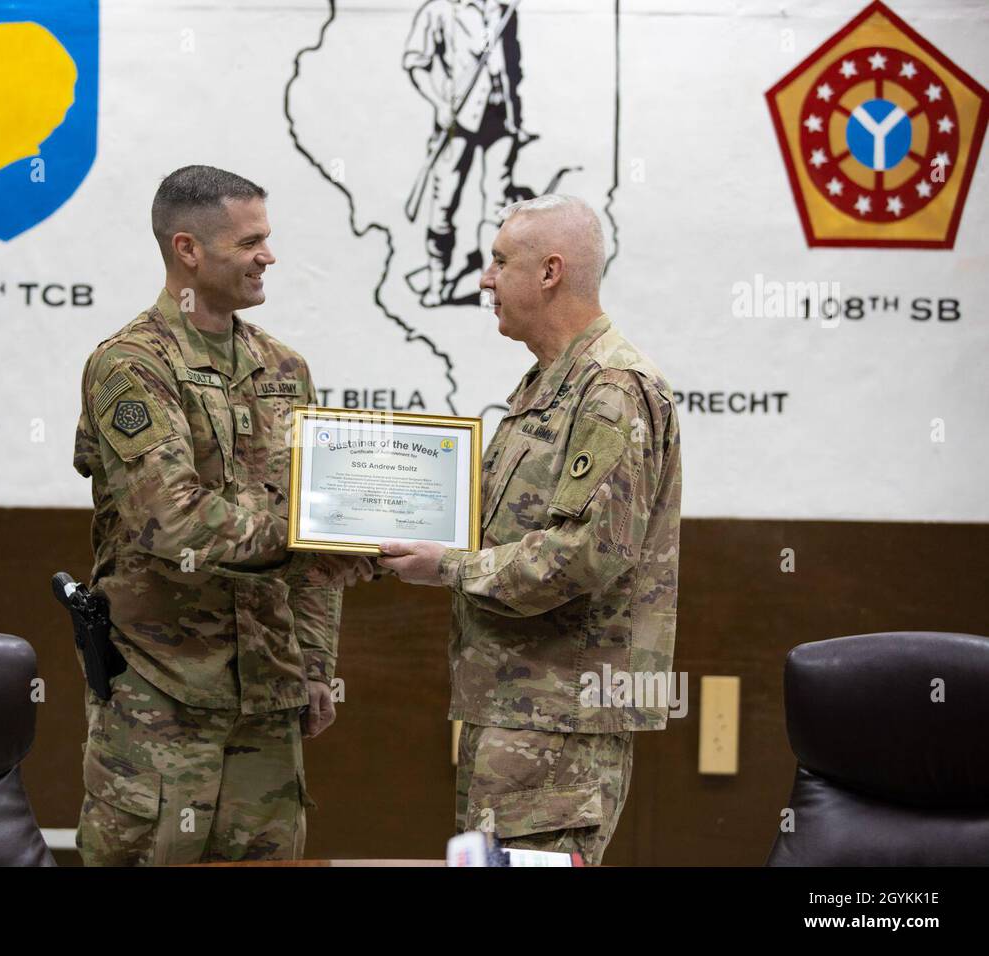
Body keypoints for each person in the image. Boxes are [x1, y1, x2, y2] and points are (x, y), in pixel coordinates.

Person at [71, 165, 368, 865]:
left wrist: (317, 666)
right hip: (160, 695)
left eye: (267, 238)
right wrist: (310, 537)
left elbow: (313, 527)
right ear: (188, 250)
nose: (269, 255)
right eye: (250, 241)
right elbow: (175, 524)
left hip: (268, 698)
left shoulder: (285, 369)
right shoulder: (130, 366)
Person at [378, 194, 681, 865]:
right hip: (516, 713)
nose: (484, 279)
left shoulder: (612, 389)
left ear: (549, 272)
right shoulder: (547, 384)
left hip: (559, 728)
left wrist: (449, 566)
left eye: (498, 261)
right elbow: (497, 526)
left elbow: (586, 556)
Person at [404, 0, 529, 305]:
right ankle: (437, 280)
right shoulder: (440, 11)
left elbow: (512, 63)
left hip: (500, 116)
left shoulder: (502, 8)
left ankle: (491, 287)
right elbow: (415, 63)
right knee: (445, 199)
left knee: (497, 206)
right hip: (458, 119)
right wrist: (439, 103)